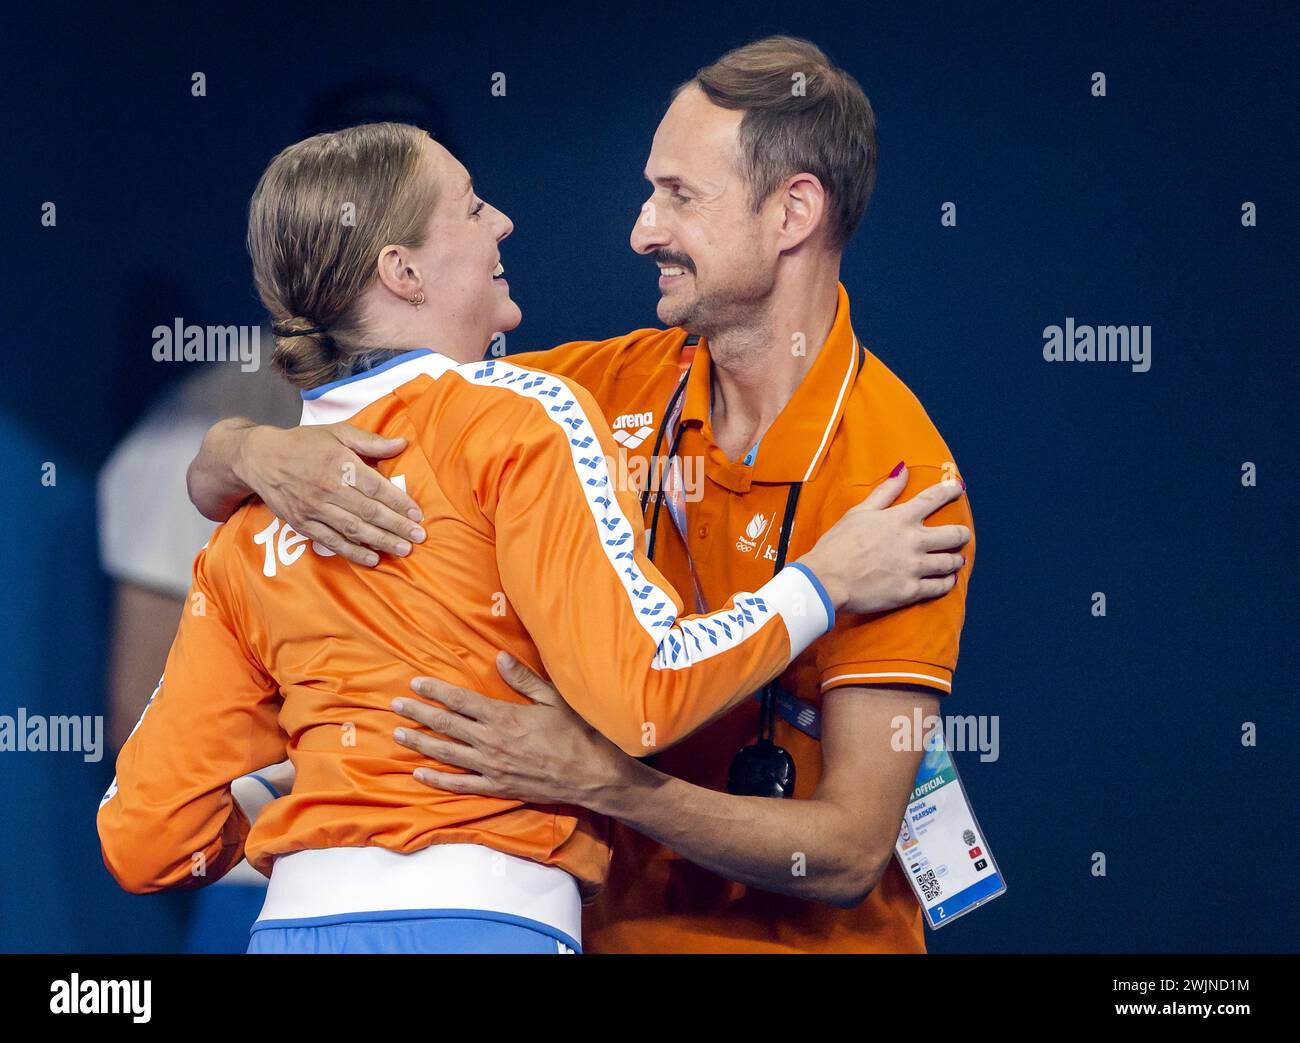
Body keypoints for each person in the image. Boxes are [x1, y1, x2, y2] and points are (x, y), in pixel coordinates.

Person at [97, 120, 970, 954]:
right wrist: (822, 583)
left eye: (678, 192)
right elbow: (644, 690)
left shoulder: (248, 529)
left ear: (796, 211)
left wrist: (319, 823)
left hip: (291, 924)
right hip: (490, 921)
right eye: (474, 206)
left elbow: (143, 837)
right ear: (401, 270)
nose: (505, 221)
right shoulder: (524, 416)